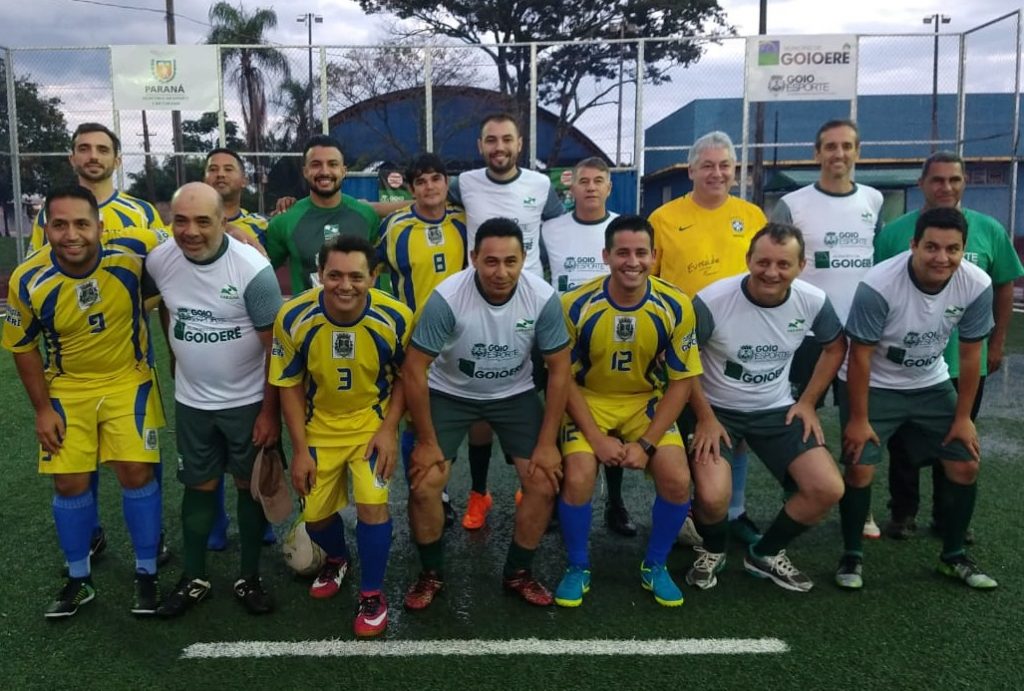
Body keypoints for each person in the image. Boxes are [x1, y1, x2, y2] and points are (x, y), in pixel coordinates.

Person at [4, 186, 164, 618]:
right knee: (68, 482)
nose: (71, 235)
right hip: (66, 388)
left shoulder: (134, 249)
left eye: (81, 224)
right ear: (46, 228)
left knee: (135, 472)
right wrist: (41, 409)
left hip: (127, 380)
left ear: (99, 226)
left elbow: (189, 240)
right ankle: (79, 579)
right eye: (59, 224)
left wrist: (241, 233)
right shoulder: (28, 279)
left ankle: (147, 573)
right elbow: (22, 346)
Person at [402, 218, 571, 610]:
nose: (501, 272)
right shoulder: (447, 298)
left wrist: (547, 444)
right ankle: (430, 573)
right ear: (474, 257)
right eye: (491, 261)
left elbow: (560, 369)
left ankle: (518, 572)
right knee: (426, 482)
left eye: (511, 261)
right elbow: (414, 369)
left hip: (514, 393)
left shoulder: (542, 297)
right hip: (451, 392)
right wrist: (426, 442)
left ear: (524, 259)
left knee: (544, 480)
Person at [28, 122, 171, 566]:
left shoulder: (141, 213)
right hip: (70, 363)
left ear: (117, 158)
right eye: (83, 148)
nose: (92, 156)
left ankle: (153, 538)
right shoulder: (47, 215)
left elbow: (167, 269)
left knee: (140, 459)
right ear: (72, 158)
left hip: (130, 357)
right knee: (74, 459)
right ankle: (88, 534)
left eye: (101, 149)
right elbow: (42, 277)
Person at [836, 207, 996, 591]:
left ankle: (953, 556)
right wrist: (858, 419)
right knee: (860, 466)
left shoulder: (976, 284)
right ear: (914, 245)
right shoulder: (879, 283)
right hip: (875, 383)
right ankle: (852, 556)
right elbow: (859, 355)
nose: (942, 258)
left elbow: (973, 354)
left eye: (952, 249)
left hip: (930, 381)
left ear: (962, 249)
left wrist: (963, 417)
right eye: (932, 247)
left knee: (965, 465)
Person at [143, 183, 283, 617]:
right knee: (198, 487)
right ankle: (194, 577)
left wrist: (269, 412)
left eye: (203, 220)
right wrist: (172, 352)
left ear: (224, 221)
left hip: (247, 404)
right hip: (193, 402)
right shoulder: (160, 259)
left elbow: (277, 349)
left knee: (250, 488)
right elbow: (165, 303)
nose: (190, 231)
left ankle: (249, 577)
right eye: (180, 220)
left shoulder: (252, 270)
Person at [684, 223, 846, 593]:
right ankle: (712, 549)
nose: (772, 272)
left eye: (783, 264)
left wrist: (807, 402)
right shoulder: (712, 301)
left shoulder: (813, 300)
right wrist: (705, 417)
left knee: (827, 488)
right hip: (718, 411)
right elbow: (682, 357)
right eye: (763, 262)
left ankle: (765, 553)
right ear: (748, 260)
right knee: (712, 496)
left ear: (801, 265)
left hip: (777, 410)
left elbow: (835, 347)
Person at [873, 151, 1024, 541]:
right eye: (937, 180)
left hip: (963, 360)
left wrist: (998, 341)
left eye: (954, 180)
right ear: (922, 184)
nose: (946, 187)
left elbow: (1004, 284)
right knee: (904, 445)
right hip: (908, 364)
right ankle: (902, 512)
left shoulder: (989, 229)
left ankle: (948, 517)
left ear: (964, 183)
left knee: (956, 435)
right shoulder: (894, 234)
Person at [555, 215, 702, 608]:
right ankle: (577, 565)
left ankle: (655, 565)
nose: (631, 261)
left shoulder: (676, 304)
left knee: (676, 478)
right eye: (622, 252)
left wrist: (648, 443)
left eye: (641, 253)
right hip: (589, 400)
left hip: (644, 402)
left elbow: (682, 381)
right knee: (580, 474)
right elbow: (563, 380)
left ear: (654, 256)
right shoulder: (574, 304)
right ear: (606, 255)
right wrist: (598, 438)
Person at [271, 234, 411, 637]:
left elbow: (407, 378)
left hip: (371, 426)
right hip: (320, 427)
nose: (344, 285)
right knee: (315, 517)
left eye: (355, 276)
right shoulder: (294, 316)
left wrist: (389, 430)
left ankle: (372, 594)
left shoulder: (396, 317)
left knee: (372, 505)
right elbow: (289, 385)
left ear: (373, 277)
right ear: (320, 274)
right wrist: (299, 449)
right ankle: (337, 558)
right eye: (334, 275)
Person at [446, 113, 566, 529]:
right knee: (482, 406)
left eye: (507, 140)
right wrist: (367, 207)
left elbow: (564, 225)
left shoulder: (542, 185)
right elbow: (419, 200)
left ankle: (529, 483)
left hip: (530, 307)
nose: (499, 148)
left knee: (531, 395)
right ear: (480, 146)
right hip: (481, 303)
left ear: (520, 144)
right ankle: (479, 493)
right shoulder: (463, 183)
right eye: (491, 140)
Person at [648, 130, 767, 547]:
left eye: (725, 166)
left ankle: (733, 511)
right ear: (692, 170)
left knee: (736, 429)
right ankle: (681, 512)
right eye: (708, 165)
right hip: (682, 342)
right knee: (681, 429)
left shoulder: (752, 216)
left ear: (734, 172)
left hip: (738, 341)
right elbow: (651, 282)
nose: (716, 173)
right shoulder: (663, 219)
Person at [770, 118, 885, 538]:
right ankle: (800, 497)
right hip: (807, 335)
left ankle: (861, 510)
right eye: (830, 147)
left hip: (862, 335)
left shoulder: (872, 200)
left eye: (847, 146)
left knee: (859, 420)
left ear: (858, 152)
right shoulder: (793, 204)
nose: (839, 154)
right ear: (816, 154)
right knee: (800, 420)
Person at [541, 157, 636, 537]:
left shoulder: (623, 229)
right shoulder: (551, 229)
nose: (592, 187)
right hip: (562, 338)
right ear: (571, 188)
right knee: (556, 413)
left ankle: (615, 502)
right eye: (584, 181)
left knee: (616, 420)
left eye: (599, 180)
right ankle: (559, 496)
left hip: (616, 338)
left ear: (610, 188)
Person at [376, 153, 466, 527]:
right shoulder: (395, 227)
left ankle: (440, 486)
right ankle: (427, 491)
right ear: (411, 188)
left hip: (461, 335)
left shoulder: (465, 222)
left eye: (436, 179)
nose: (430, 187)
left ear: (447, 183)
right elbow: (371, 268)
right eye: (421, 181)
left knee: (452, 413)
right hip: (414, 340)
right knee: (417, 417)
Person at [266, 135, 379, 294]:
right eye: (316, 165)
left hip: (359, 317)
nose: (325, 171)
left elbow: (378, 269)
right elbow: (261, 272)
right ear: (305, 171)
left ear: (343, 171)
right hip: (307, 316)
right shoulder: (284, 221)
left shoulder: (367, 215)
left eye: (332, 164)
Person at [204, 148, 268, 249]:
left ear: (244, 181)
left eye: (228, 169)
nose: (220, 174)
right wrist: (226, 229)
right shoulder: (182, 226)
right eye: (213, 169)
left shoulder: (263, 226)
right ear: (204, 181)